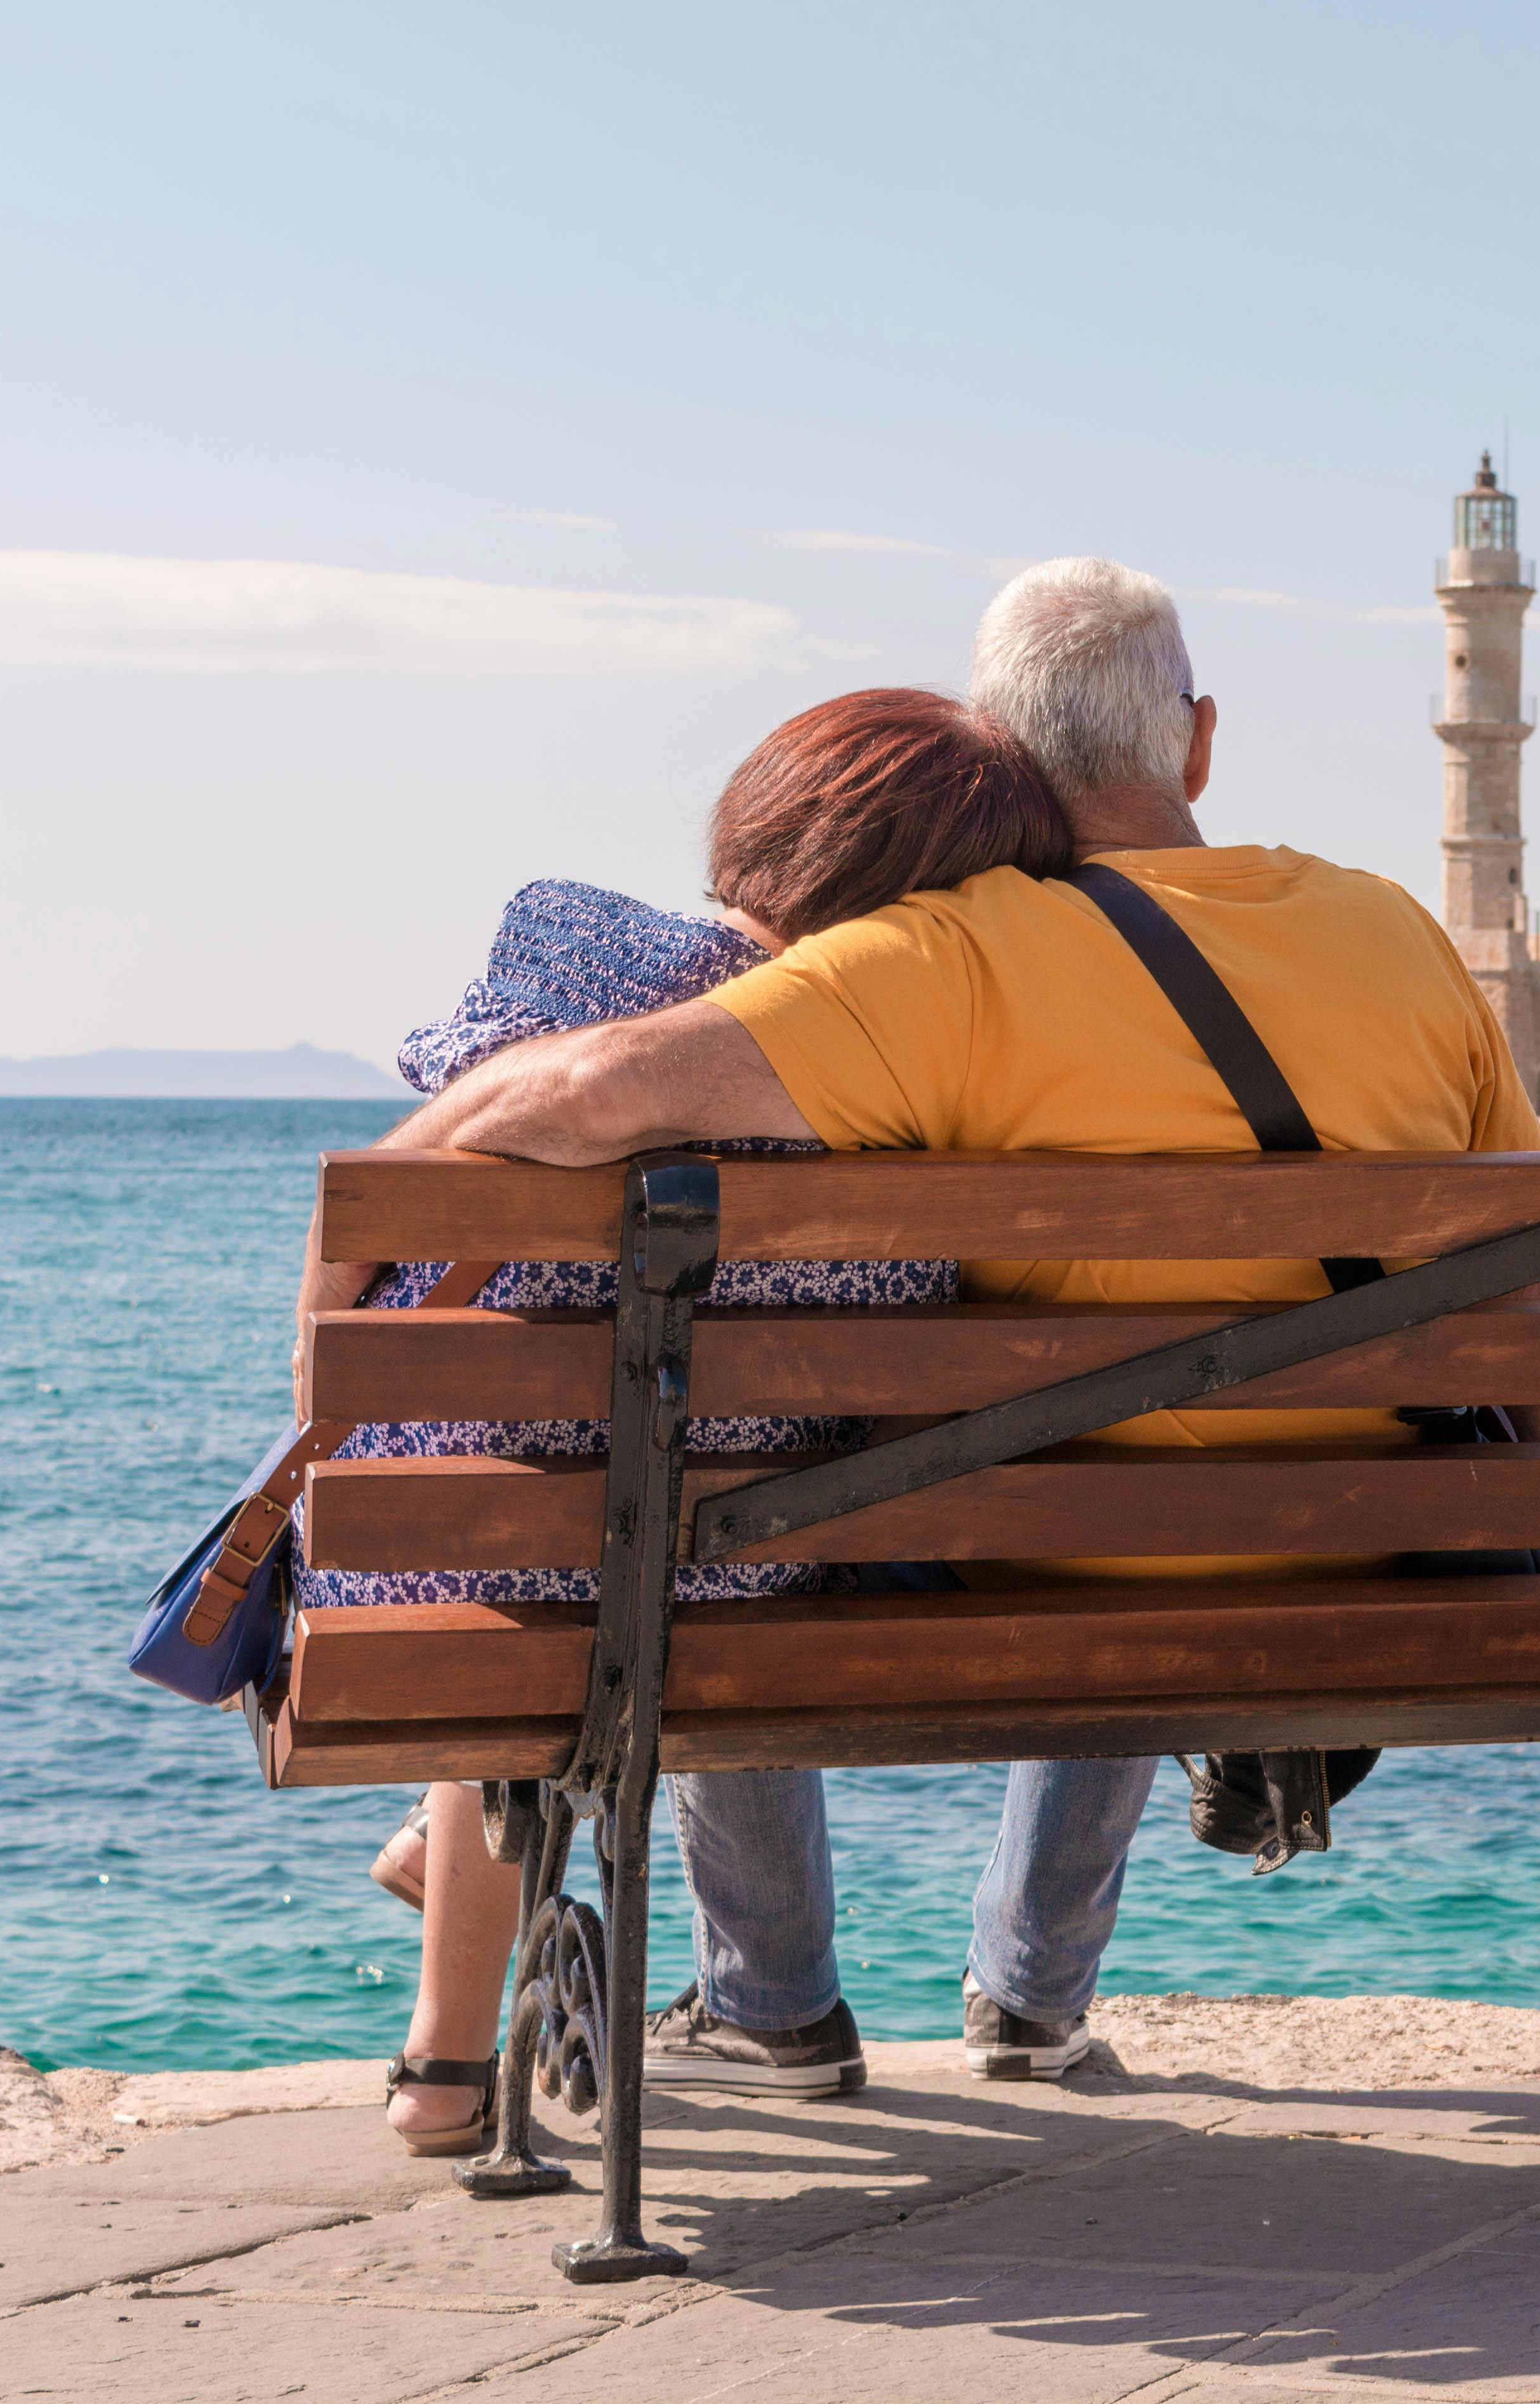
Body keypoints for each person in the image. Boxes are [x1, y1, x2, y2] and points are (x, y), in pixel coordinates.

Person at [333, 558, 1540, 2091]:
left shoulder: (954, 952)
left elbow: (586, 1095)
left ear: (995, 751)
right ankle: (1034, 2002)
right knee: (1131, 1444)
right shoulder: (1396, 933)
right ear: (1196, 743)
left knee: (747, 1492)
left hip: (1040, 1553)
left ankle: (771, 2006)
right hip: (1365, 1547)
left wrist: (363, 1232)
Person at [305, 690, 1072, 2154]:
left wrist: (337, 1382)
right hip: (741, 1569)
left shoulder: (581, 952)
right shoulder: (932, 1079)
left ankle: (444, 2072)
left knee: (517, 1540)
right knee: (609, 1523)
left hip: (490, 1558)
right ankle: (448, 2054)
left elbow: (398, 1218)